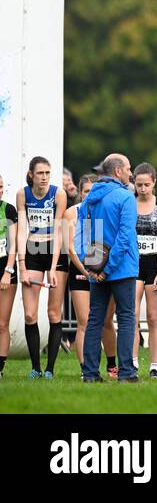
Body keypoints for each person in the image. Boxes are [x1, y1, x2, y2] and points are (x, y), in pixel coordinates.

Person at [77, 154, 140, 383]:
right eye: (128, 168)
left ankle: (90, 374)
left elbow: (84, 234)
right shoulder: (125, 197)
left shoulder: (90, 198)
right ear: (117, 172)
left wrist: (91, 267)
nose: (131, 173)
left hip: (96, 267)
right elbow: (124, 238)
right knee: (125, 319)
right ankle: (126, 373)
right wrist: (109, 268)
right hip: (121, 268)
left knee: (95, 319)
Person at [15, 155, 67, 378]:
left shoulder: (59, 194)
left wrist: (54, 268)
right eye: (40, 173)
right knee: (29, 314)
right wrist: (22, 266)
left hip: (55, 251)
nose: (44, 177)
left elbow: (58, 231)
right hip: (33, 251)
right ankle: (35, 368)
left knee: (54, 312)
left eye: (47, 173)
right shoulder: (22, 194)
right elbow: (20, 231)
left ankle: (50, 369)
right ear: (31, 175)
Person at [65, 174, 115, 372]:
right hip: (79, 270)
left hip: (102, 271)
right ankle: (86, 368)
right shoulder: (72, 212)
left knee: (106, 321)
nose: (90, 195)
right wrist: (87, 271)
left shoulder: (105, 211)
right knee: (84, 321)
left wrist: (100, 270)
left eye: (94, 191)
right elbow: (70, 247)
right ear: (80, 192)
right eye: (86, 191)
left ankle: (112, 366)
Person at [131, 163, 157, 378]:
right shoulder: (129, 204)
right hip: (133, 265)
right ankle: (133, 361)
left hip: (154, 265)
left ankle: (155, 365)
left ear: (154, 183)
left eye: (147, 184)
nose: (143, 189)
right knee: (132, 316)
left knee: (154, 317)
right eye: (139, 185)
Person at [0, 174, 19, 377]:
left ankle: (0, 368)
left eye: (1, 186)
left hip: (6, 269)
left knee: (2, 323)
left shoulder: (8, 209)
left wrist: (8, 271)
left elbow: (13, 244)